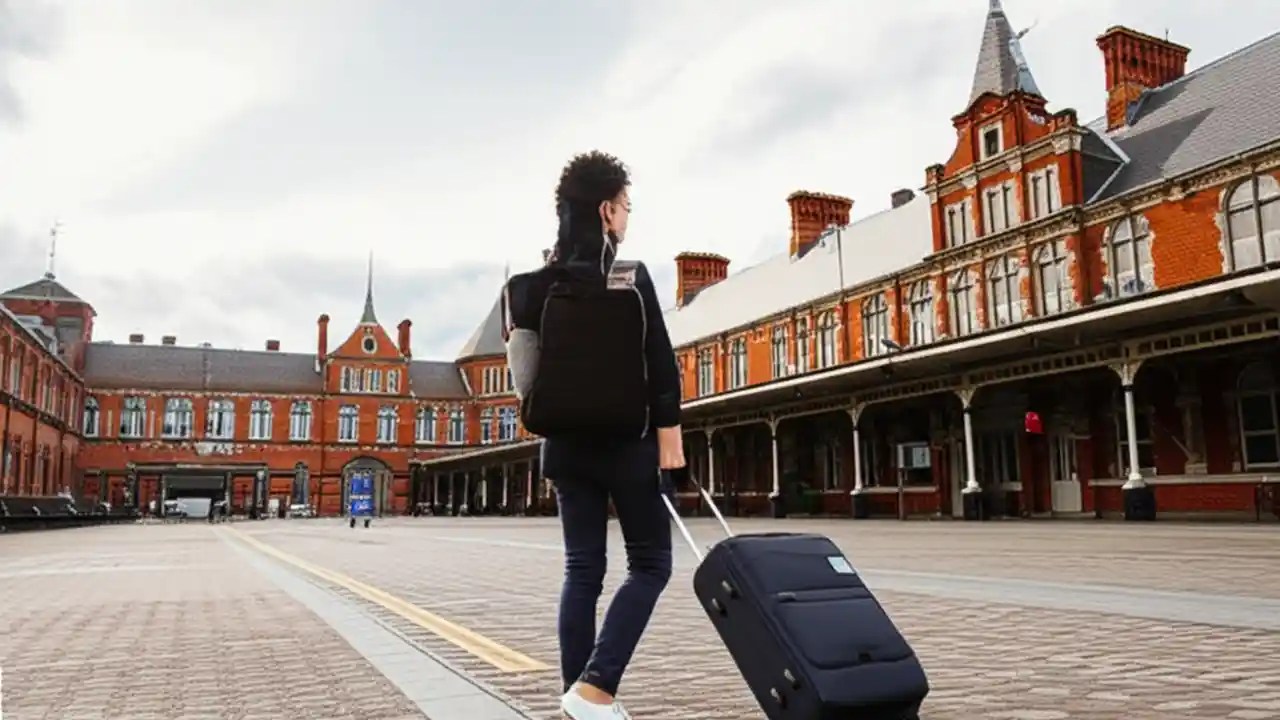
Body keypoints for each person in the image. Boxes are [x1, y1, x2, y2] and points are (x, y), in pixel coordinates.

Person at [504, 150, 685, 720]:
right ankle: (596, 688)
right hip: (629, 446)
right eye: (626, 206)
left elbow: (525, 381)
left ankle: (578, 699)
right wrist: (670, 441)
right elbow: (660, 362)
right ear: (606, 211)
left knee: (582, 571)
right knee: (650, 564)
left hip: (564, 450)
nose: (628, 216)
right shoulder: (632, 277)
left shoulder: (528, 287)